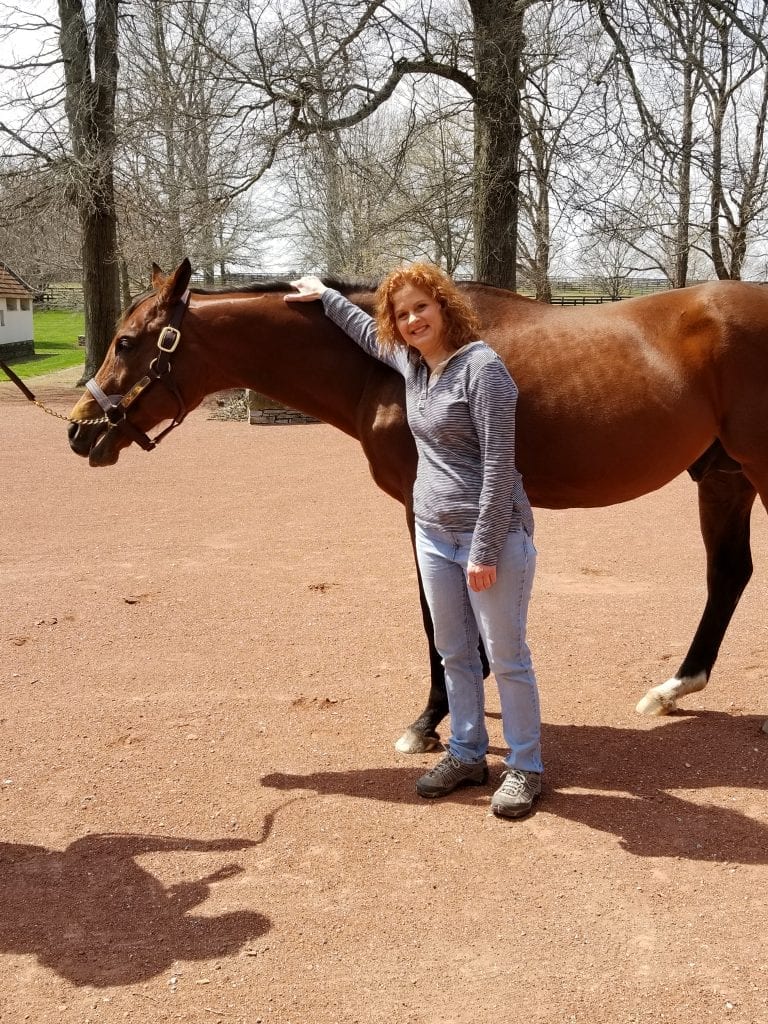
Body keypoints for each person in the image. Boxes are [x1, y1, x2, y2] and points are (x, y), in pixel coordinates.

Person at [285, 263, 543, 819]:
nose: (411, 320)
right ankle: (468, 752)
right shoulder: (412, 365)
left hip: (489, 538)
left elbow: (501, 467)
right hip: (433, 536)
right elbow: (361, 331)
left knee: (506, 655)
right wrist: (325, 296)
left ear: (444, 305)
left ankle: (525, 766)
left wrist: (484, 547)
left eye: (420, 307)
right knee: (454, 652)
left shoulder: (483, 370)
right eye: (401, 315)